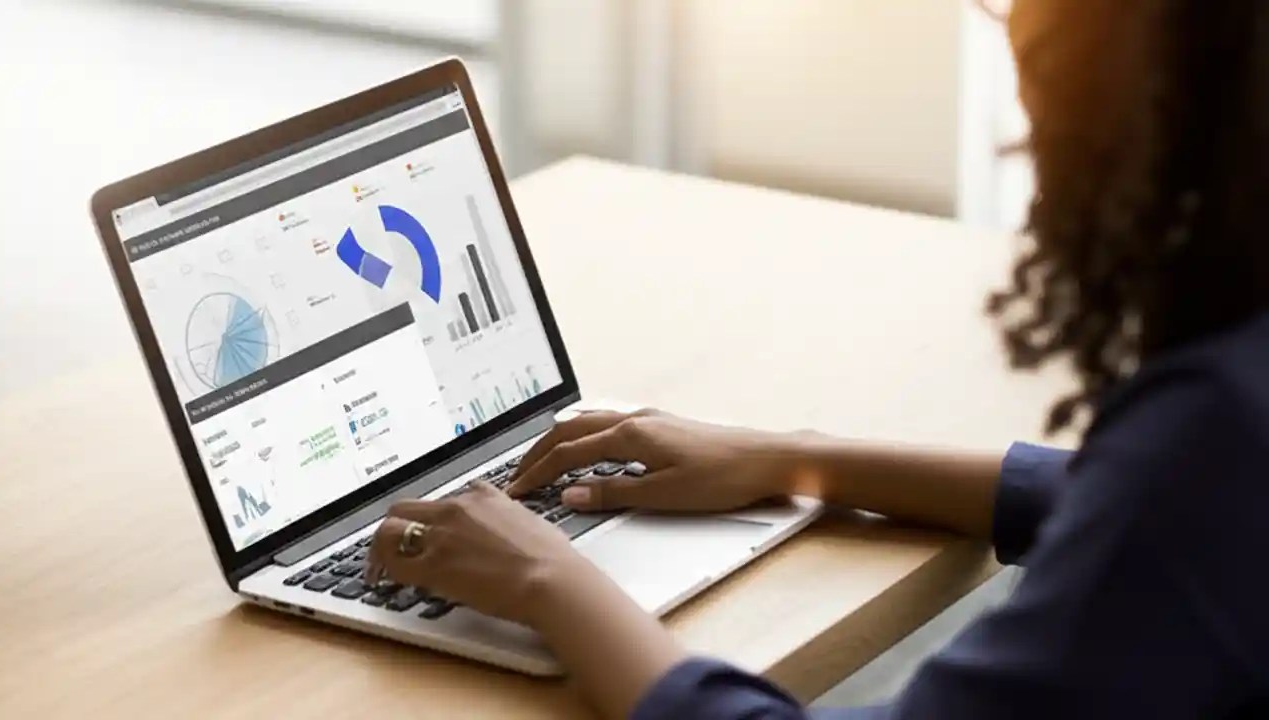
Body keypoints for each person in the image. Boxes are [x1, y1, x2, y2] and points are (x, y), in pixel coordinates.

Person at [365, 1, 1269, 717]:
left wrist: (550, 581)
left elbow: (1174, 502)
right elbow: (1130, 502)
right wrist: (796, 459)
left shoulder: (1214, 434)